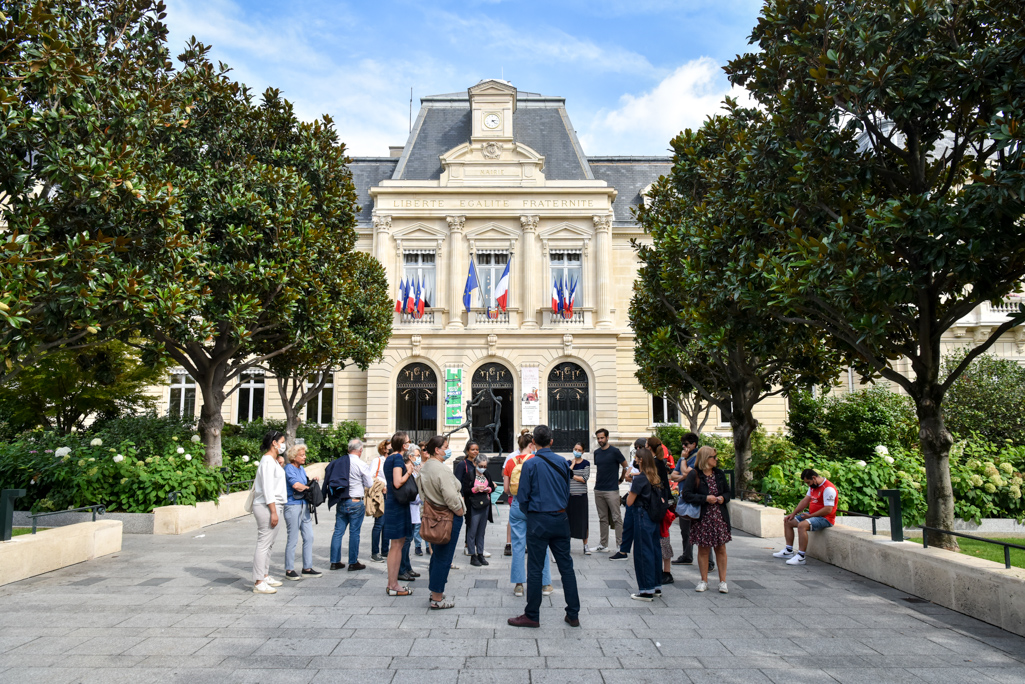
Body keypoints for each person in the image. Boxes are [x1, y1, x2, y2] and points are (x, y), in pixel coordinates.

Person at [508, 425, 581, 629]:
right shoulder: (562, 462)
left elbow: (522, 496)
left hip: (538, 519)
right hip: (560, 517)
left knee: (535, 568)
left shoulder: (530, 464)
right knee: (566, 567)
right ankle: (573, 614)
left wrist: (531, 513)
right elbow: (566, 490)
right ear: (551, 441)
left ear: (534, 443)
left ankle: (532, 615)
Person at [417, 435, 466, 609]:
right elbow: (451, 496)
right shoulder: (441, 469)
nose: (448, 450)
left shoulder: (426, 467)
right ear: (437, 450)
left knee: (437, 555)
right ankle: (437, 598)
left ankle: (435, 592)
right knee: (444, 557)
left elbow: (422, 492)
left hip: (433, 515)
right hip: (447, 517)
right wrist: (460, 511)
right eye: (445, 447)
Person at [505, 431, 552, 597]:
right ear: (531, 444)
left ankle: (519, 585)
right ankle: (545, 583)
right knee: (541, 544)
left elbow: (506, 489)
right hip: (535, 506)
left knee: (518, 545)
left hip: (517, 505)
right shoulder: (537, 460)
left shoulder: (510, 462)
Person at [680, 446, 731, 593]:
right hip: (702, 517)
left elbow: (728, 493)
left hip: (719, 517)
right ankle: (703, 580)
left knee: (721, 548)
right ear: (705, 459)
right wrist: (705, 498)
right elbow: (686, 494)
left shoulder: (719, 474)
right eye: (713, 457)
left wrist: (723, 498)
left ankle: (723, 582)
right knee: (703, 549)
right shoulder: (694, 474)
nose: (716, 459)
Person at [326, 438, 373, 571]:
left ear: (348, 449)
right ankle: (353, 562)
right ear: (360, 450)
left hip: (341, 500)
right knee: (354, 533)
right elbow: (369, 483)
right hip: (355, 501)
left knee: (338, 531)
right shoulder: (360, 464)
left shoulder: (339, 462)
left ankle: (335, 561)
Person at [773, 468, 839, 565]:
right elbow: (805, 501)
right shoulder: (813, 486)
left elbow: (828, 509)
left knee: (802, 525)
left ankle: (801, 557)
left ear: (814, 478)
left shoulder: (828, 488)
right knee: (788, 521)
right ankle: (788, 551)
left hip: (825, 518)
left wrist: (811, 516)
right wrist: (793, 513)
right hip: (812, 515)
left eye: (808, 482)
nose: (808, 485)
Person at [669, 433, 713, 571]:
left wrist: (683, 461)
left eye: (686, 444)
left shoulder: (697, 456)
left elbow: (687, 472)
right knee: (685, 529)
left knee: (703, 529)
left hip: (697, 497)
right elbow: (673, 475)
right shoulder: (685, 458)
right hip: (684, 496)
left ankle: (709, 562)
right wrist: (685, 475)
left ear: (694, 444)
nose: (684, 447)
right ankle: (687, 555)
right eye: (683, 444)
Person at [252, 430, 288, 594]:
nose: (283, 445)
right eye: (282, 441)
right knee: (264, 543)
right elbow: (267, 488)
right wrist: (273, 511)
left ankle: (264, 575)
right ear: (274, 443)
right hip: (267, 506)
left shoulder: (272, 461)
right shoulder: (267, 461)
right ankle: (259, 581)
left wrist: (279, 463)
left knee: (269, 544)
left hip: (274, 505)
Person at [626, 448, 663, 601]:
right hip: (653, 516)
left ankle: (646, 590)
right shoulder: (654, 477)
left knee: (642, 551)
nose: (635, 460)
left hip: (641, 515)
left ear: (641, 460)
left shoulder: (640, 478)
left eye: (636, 458)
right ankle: (656, 585)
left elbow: (629, 501)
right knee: (654, 550)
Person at [283, 442, 321, 581]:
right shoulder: (289, 468)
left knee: (309, 536)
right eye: (302, 455)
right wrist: (308, 488)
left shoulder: (301, 469)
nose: (304, 457)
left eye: (304, 455)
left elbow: (304, 483)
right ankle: (289, 569)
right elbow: (296, 485)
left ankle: (307, 568)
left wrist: (311, 482)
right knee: (293, 538)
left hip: (304, 505)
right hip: (293, 505)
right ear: (294, 457)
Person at [383, 431, 414, 596]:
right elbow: (397, 482)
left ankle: (393, 583)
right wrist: (409, 471)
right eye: (408, 441)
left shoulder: (390, 458)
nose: (409, 444)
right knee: (396, 545)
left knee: (398, 544)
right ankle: (393, 584)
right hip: (397, 504)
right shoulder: (396, 459)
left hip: (395, 502)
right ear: (403, 445)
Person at [610, 437, 646, 561]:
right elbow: (627, 477)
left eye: (640, 447)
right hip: (632, 494)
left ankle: (641, 552)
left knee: (641, 527)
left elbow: (647, 475)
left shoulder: (649, 461)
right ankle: (623, 550)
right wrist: (638, 475)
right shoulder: (635, 461)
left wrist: (634, 475)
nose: (638, 449)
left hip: (643, 498)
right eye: (636, 447)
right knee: (628, 524)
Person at [592, 428, 627, 553]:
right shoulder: (596, 453)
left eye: (602, 438)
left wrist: (621, 479)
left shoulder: (615, 451)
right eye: (598, 438)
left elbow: (625, 466)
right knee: (602, 518)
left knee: (617, 518)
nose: (600, 440)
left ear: (607, 437)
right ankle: (603, 544)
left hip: (612, 490)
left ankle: (620, 545)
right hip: (598, 489)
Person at [647, 436, 675, 584]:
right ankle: (665, 571)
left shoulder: (654, 463)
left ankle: (666, 572)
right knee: (663, 536)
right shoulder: (659, 462)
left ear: (649, 447)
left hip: (658, 504)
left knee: (663, 537)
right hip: (662, 503)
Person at [462, 452, 495, 566]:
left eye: (485, 466)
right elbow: (465, 490)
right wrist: (475, 489)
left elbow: (492, 487)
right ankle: (472, 555)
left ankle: (480, 553)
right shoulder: (470, 475)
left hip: (485, 504)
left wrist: (488, 489)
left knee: (481, 531)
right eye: (481, 466)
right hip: (473, 505)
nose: (483, 468)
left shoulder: (487, 474)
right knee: (472, 531)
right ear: (475, 464)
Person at [398, 445, 422, 582]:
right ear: (410, 456)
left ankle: (407, 567)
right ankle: (402, 569)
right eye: (417, 456)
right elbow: (409, 493)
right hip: (408, 510)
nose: (418, 458)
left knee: (408, 541)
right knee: (405, 542)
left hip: (413, 511)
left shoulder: (413, 471)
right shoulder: (405, 471)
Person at [369, 439, 390, 562]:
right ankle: (375, 552)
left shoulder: (392, 460)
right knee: (379, 523)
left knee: (387, 524)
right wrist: (382, 485)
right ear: (384, 449)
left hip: (390, 495)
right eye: (389, 447)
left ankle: (385, 550)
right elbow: (370, 476)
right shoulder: (377, 461)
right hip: (381, 495)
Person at [568, 442, 591, 555]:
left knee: (583, 521)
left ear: (583, 452)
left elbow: (584, 478)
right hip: (570, 496)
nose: (577, 451)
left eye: (579, 450)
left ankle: (585, 545)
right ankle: (567, 545)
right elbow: (566, 474)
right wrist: (572, 465)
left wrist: (572, 475)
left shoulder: (586, 463)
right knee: (569, 521)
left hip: (581, 495)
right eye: (575, 449)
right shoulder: (568, 462)